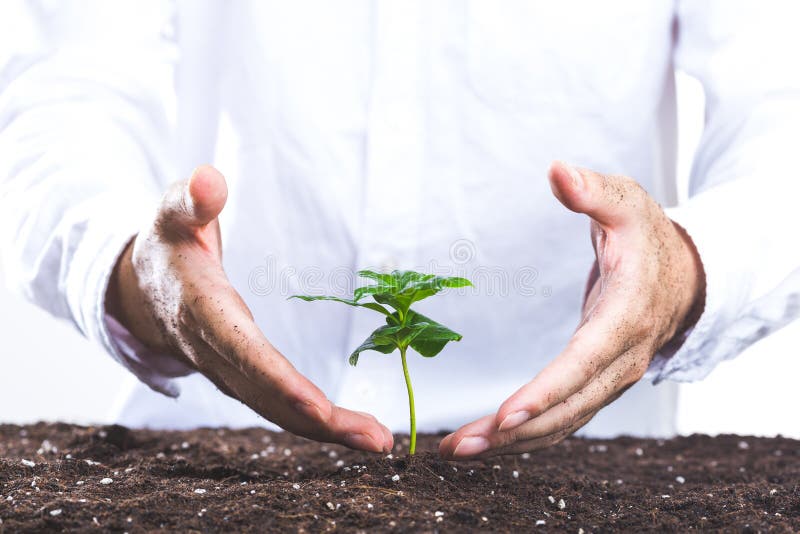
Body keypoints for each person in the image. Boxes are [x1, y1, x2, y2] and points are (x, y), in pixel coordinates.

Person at [1, 1, 799, 459]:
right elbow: (67, 81)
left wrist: (689, 269)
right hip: (213, 443)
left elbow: (783, 105)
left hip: (576, 459)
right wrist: (130, 269)